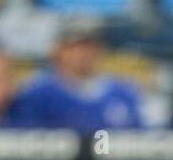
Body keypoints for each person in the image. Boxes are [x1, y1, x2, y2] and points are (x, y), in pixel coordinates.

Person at [13, 18, 144, 133]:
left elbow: (139, 139)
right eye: (75, 47)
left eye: (89, 46)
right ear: (58, 50)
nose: (83, 54)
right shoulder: (38, 93)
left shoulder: (122, 92)